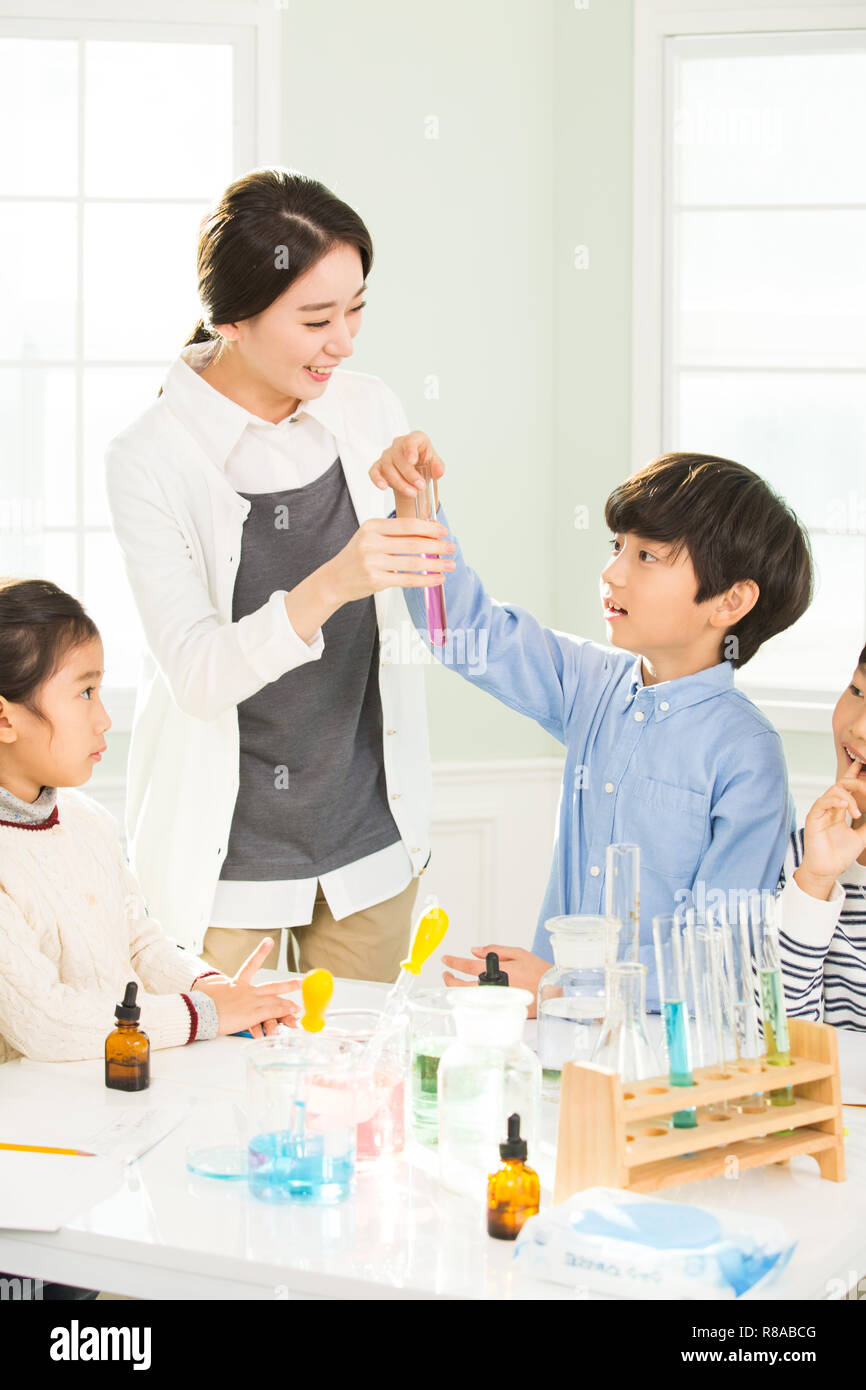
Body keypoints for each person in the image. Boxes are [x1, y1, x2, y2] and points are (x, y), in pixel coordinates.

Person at [104, 168, 452, 983]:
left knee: (363, 1092)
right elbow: (195, 675)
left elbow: (424, 613)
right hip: (226, 871)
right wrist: (332, 582)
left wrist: (416, 509)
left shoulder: (368, 406)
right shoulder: (149, 458)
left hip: (369, 843)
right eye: (317, 318)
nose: (346, 341)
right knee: (213, 1103)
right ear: (231, 319)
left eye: (357, 307)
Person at [370, 448, 814, 1011]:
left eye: (648, 556)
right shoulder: (590, 683)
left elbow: (717, 958)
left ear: (731, 600)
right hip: (554, 1037)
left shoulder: (748, 755)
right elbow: (462, 632)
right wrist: (417, 507)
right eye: (617, 546)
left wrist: (562, 984)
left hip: (663, 1056)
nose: (612, 572)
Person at [0, 578, 302, 1066]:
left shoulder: (86, 821)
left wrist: (210, 987)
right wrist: (204, 1013)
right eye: (84, 692)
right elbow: (47, 1024)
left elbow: (138, 943)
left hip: (115, 1097)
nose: (103, 719)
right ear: (4, 720)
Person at [777, 641, 866, 1030]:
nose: (858, 726)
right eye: (858, 691)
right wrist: (815, 880)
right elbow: (777, 1038)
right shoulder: (804, 859)